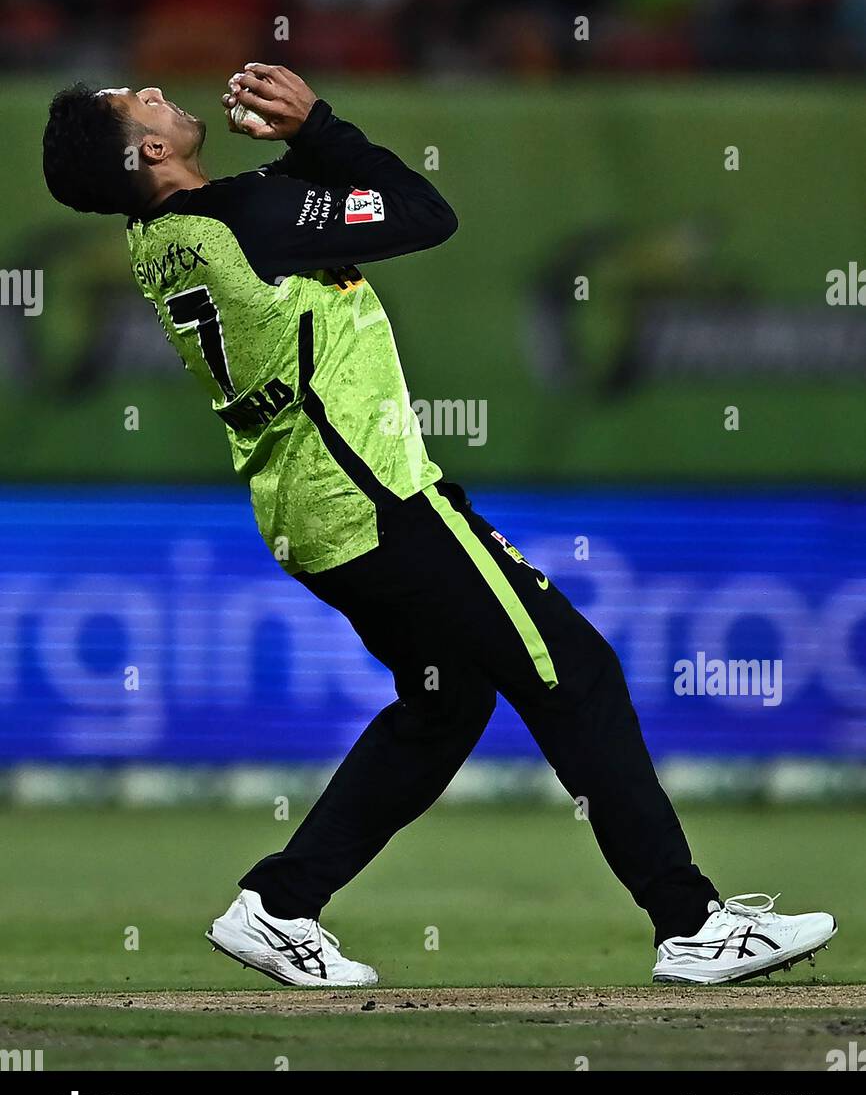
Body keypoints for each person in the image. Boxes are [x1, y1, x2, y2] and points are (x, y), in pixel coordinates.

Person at [42, 65, 836, 986]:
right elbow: (423, 212)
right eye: (134, 102)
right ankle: (692, 922)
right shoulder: (245, 217)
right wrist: (317, 128)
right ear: (147, 150)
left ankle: (277, 905)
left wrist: (306, 160)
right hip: (380, 503)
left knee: (445, 704)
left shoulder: (170, 237)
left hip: (314, 515)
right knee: (572, 670)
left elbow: (343, 218)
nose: (152, 91)